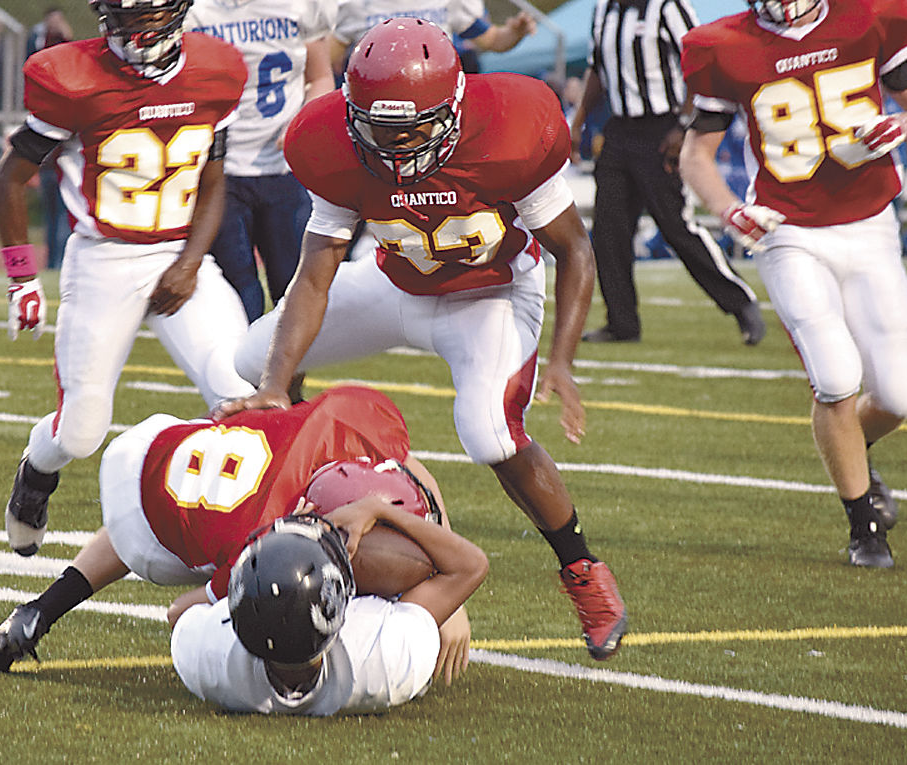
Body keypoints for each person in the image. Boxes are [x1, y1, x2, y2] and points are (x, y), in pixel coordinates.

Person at [219, 18, 628, 661]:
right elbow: (316, 268)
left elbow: (576, 251)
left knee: (489, 432)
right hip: (396, 285)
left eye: (404, 129)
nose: (387, 145)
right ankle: (304, 507)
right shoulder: (331, 143)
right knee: (249, 359)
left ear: (453, 109)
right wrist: (274, 385)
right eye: (373, 127)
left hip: (486, 294)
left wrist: (563, 361)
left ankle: (584, 571)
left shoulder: (513, 128)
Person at [0, 385, 479, 689]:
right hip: (146, 531)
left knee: (201, 498)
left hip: (158, 442)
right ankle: (41, 609)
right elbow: (180, 612)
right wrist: (443, 599)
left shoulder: (337, 425)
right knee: (183, 546)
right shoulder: (262, 544)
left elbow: (410, 473)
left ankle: (38, 611)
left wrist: (449, 594)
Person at [0, 0, 263, 558]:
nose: (134, 28)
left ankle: (240, 536)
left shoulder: (216, 70)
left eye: (146, 13)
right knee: (80, 432)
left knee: (240, 394)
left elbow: (214, 183)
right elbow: (10, 179)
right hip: (104, 257)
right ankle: (35, 475)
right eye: (122, 14)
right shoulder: (74, 79)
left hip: (178, 255)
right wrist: (22, 278)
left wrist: (189, 263)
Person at [679, 0, 907, 568]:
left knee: (901, 394)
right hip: (787, 230)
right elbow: (698, 155)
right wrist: (726, 210)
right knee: (836, 376)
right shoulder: (722, 45)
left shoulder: (874, 15)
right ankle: (864, 526)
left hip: (869, 224)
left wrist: (901, 125)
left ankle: (852, 450)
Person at [569, 0, 764, 345]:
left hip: (663, 129)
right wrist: (579, 120)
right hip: (619, 130)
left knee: (675, 225)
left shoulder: (669, 6)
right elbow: (597, 69)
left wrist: (685, 123)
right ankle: (621, 323)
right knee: (609, 229)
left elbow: (698, 61)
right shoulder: (603, 9)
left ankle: (741, 302)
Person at [171, 503, 486, 715]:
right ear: (336, 609)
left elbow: (177, 614)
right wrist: (379, 507)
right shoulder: (386, 658)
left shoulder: (206, 659)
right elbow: (471, 565)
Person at [186, 0, 336, 322]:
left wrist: (302, 122)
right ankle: (236, 373)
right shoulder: (193, 10)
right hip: (216, 171)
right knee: (235, 294)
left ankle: (285, 374)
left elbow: (321, 78)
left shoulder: (300, 6)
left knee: (294, 290)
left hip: (285, 169)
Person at [329, 0, 537, 78]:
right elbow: (326, 61)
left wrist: (515, 33)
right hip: (374, 103)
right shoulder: (351, 5)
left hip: (437, 99)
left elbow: (492, 40)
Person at [25, 6, 74, 270]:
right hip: (49, 164)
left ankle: (58, 264)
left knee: (62, 219)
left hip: (61, 165)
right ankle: (53, 264)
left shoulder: (69, 108)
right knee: (52, 218)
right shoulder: (45, 110)